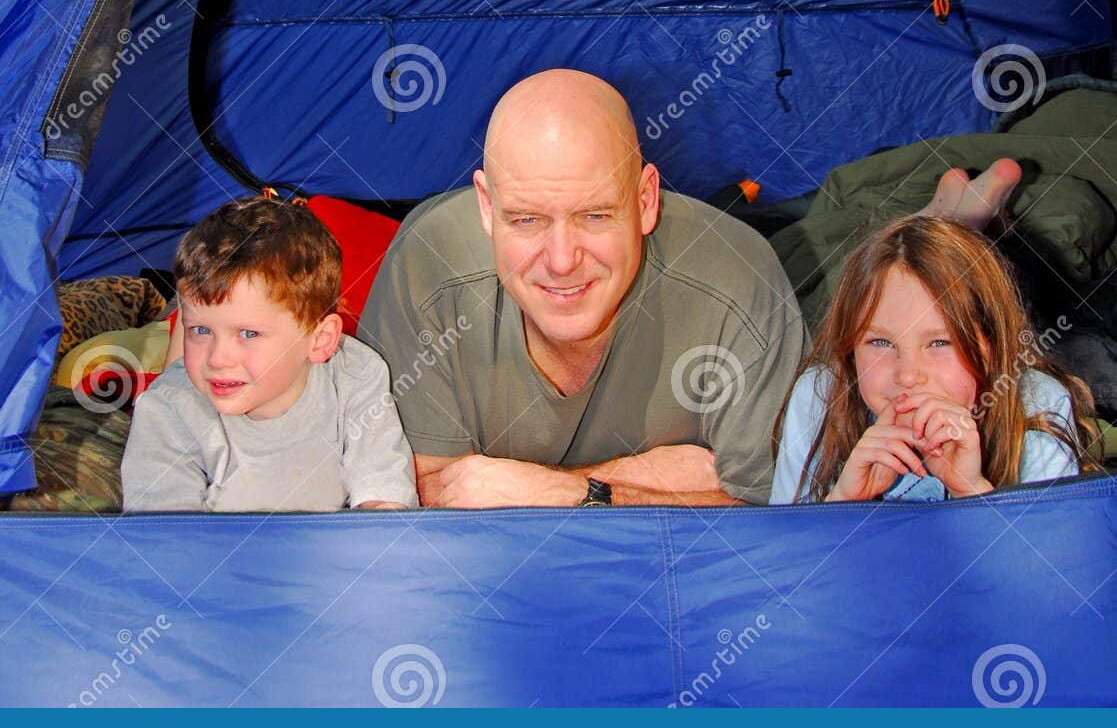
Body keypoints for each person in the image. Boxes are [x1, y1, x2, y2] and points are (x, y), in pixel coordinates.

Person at [359, 68, 808, 508]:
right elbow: (417, 502)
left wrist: (564, 492)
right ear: (486, 206)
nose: (561, 261)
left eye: (595, 215)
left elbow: (774, 526)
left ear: (645, 200)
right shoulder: (430, 265)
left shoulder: (737, 283)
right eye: (526, 219)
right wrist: (640, 483)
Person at [770, 213, 1099, 504]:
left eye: (940, 342)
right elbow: (787, 570)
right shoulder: (819, 398)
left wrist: (970, 490)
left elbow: (1049, 570)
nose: (908, 375)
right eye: (880, 342)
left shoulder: (1034, 404)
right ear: (849, 347)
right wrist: (844, 502)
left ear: (992, 348)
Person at [121, 197, 417, 513]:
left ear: (320, 341)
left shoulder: (355, 375)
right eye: (201, 331)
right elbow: (164, 539)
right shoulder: (170, 406)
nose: (218, 359)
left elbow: (383, 495)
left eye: (248, 334)